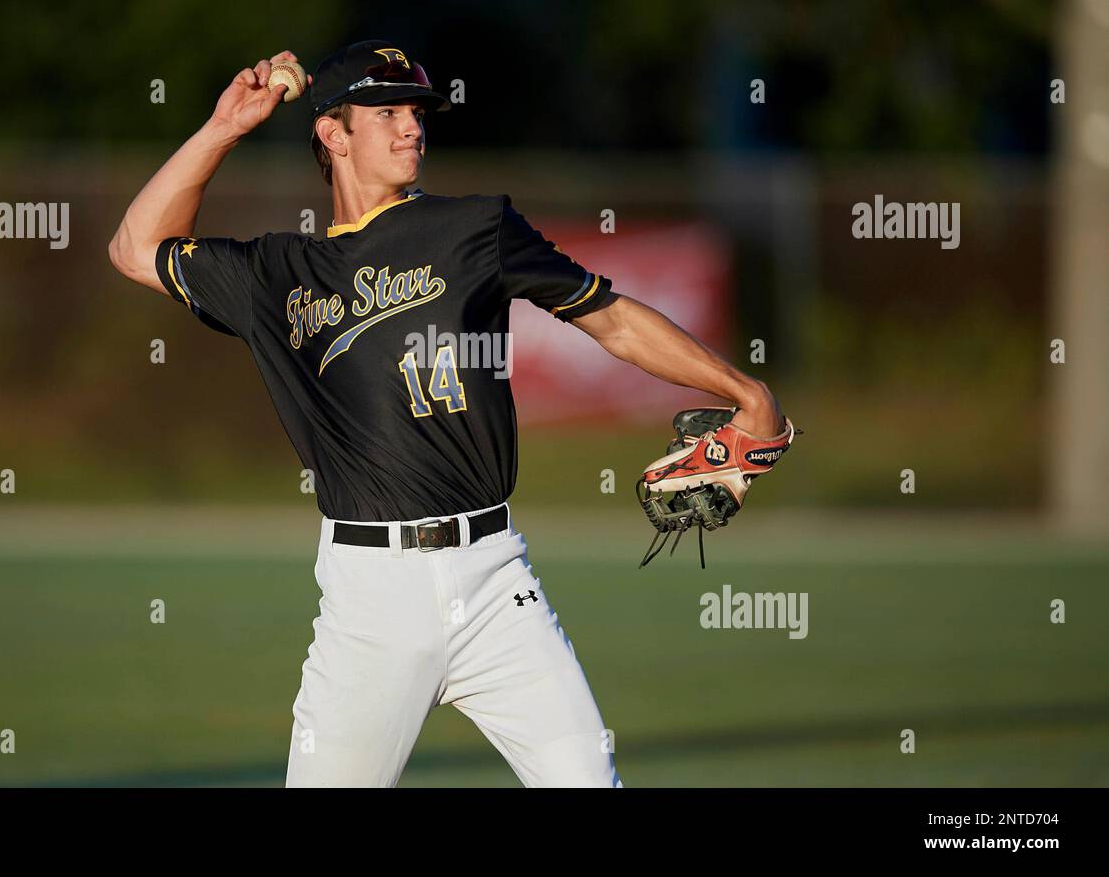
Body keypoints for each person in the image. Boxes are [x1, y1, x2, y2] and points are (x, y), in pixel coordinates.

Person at [108, 40, 787, 787]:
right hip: (370, 597)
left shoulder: (474, 229)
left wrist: (743, 392)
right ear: (333, 134)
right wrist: (224, 129)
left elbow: (611, 320)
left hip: (497, 583)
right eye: (387, 111)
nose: (412, 128)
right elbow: (136, 248)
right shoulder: (276, 274)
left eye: (418, 111)